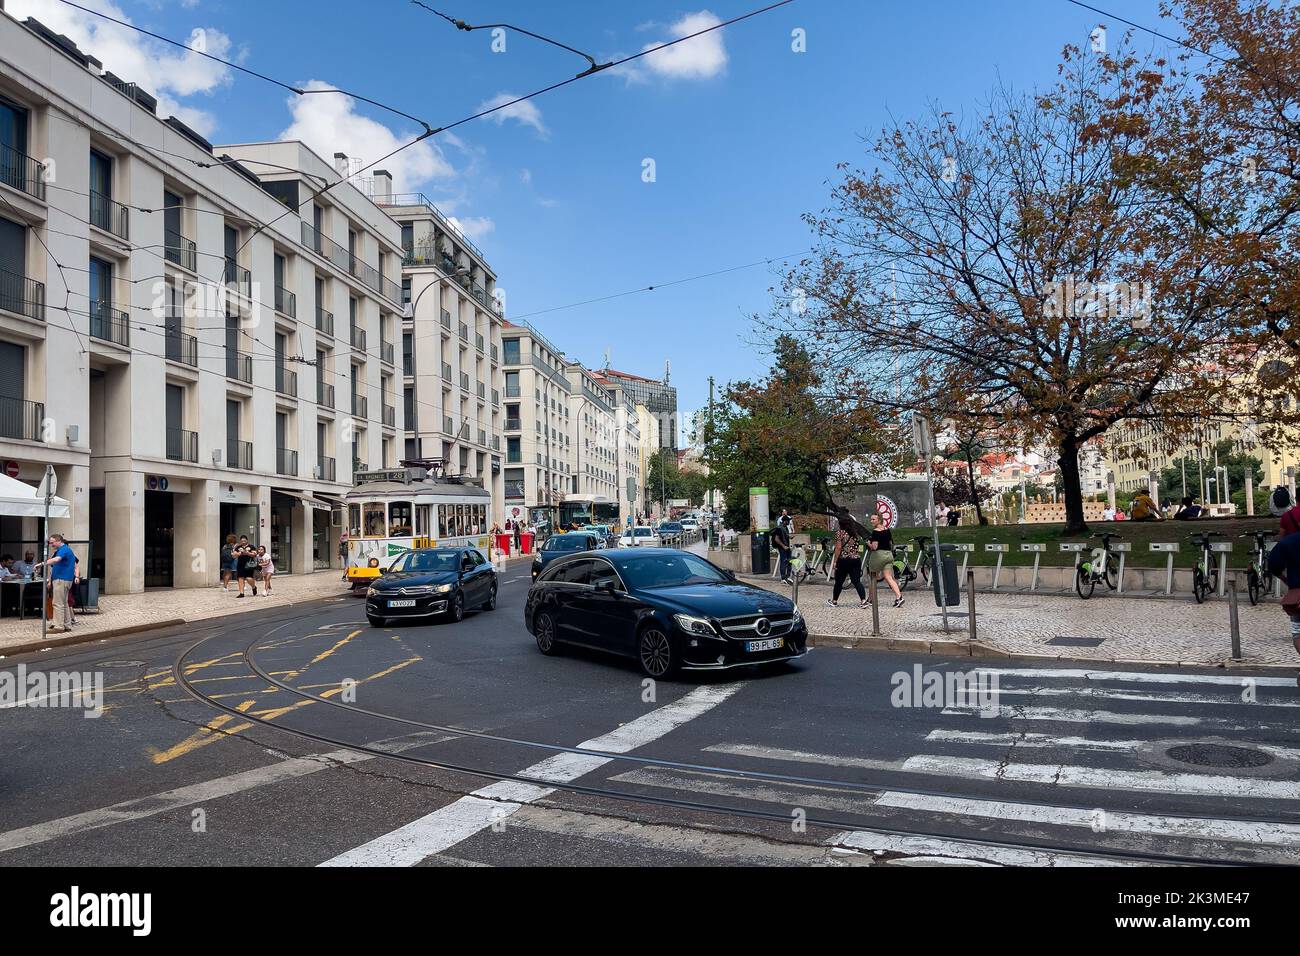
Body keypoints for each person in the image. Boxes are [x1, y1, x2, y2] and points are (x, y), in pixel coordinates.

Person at [1267, 506, 1300, 667]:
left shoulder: (1288, 542)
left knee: (1298, 633)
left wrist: (1284, 578)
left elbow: (1273, 564)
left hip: (1298, 594)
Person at [827, 514, 868, 609]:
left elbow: (838, 548)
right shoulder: (856, 534)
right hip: (855, 559)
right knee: (856, 581)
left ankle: (834, 600)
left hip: (843, 560)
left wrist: (835, 561)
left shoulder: (840, 533)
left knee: (839, 581)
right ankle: (863, 600)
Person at [39, 533, 78, 633]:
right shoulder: (63, 550)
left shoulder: (63, 549)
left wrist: (42, 564)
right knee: (64, 603)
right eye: (50, 543)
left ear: (59, 541)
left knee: (57, 603)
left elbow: (56, 560)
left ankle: (59, 626)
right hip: (64, 579)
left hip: (61, 579)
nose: (51, 545)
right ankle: (67, 625)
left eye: (52, 543)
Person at [866, 512, 904, 607]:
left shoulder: (876, 531)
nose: (871, 521)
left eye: (873, 519)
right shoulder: (887, 530)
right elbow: (890, 543)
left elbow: (874, 547)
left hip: (878, 555)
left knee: (872, 577)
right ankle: (899, 597)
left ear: (879, 520)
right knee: (889, 577)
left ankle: (870, 599)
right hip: (888, 555)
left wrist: (868, 544)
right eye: (871, 519)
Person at [772, 513, 792, 584]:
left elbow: (784, 536)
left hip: (787, 547)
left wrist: (789, 537)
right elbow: (776, 539)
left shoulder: (785, 528)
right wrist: (783, 546)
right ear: (784, 521)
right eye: (788, 521)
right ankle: (783, 578)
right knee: (783, 562)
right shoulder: (779, 528)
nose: (789, 522)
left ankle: (788, 576)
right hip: (782, 548)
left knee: (790, 561)